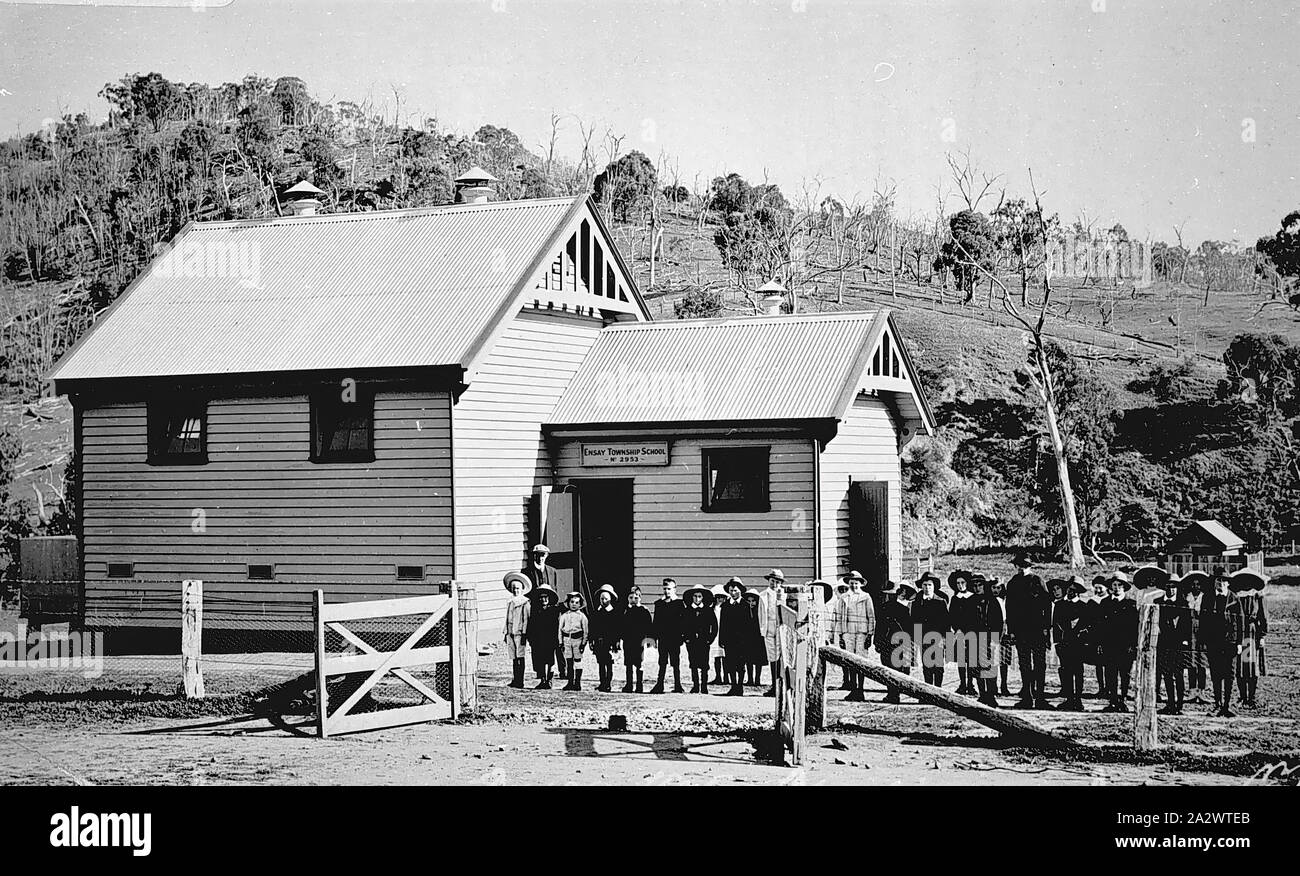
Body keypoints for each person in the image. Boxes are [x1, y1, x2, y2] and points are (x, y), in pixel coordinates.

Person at [1006, 553, 1052, 709]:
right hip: (1021, 631)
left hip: (1038, 630)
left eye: (1025, 565)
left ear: (1030, 566)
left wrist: (1046, 628)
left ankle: (1040, 698)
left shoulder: (1038, 581)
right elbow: (1010, 609)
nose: (1021, 568)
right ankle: (1027, 697)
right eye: (1019, 565)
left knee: (1040, 664)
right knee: (1024, 664)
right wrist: (1011, 631)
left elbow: (1047, 606)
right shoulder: (1012, 583)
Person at [1199, 572, 1243, 717]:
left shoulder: (1234, 599)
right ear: (1214, 582)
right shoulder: (1208, 597)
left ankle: (1227, 705)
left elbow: (1240, 622)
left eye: (1224, 581)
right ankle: (1217, 704)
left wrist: (1239, 643)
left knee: (1229, 674)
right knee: (1216, 674)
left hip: (1230, 642)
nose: (1221, 583)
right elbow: (1203, 621)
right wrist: (1204, 640)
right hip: (1213, 642)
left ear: (1228, 583)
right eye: (1218, 580)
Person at [521, 544, 564, 678]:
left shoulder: (552, 571)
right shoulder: (526, 572)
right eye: (537, 555)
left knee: (555, 642)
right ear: (534, 556)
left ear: (546, 556)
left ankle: (563, 670)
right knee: (537, 642)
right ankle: (540, 671)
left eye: (542, 555)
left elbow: (555, 591)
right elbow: (525, 594)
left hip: (550, 612)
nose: (540, 558)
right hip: (535, 612)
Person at [1099, 573, 1138, 713]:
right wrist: (1100, 643)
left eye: (1119, 585)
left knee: (1125, 674)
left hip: (1125, 646)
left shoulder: (1131, 604)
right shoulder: (1105, 603)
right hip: (1109, 645)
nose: (1116, 588)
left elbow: (1135, 627)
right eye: (1114, 585)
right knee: (1110, 673)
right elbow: (1100, 626)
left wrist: (1132, 645)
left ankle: (1123, 700)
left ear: (1124, 587)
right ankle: (1113, 701)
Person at [1230, 571, 1268, 708]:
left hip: (1251, 634)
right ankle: (1242, 696)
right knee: (1240, 666)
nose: (1246, 584)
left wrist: (1262, 635)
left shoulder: (1257, 596)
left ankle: (1251, 698)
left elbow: (1262, 616)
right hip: (1239, 632)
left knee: (1251, 666)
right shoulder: (1235, 596)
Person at [837, 571, 876, 701]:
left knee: (861, 660)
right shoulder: (844, 598)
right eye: (851, 583)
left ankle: (861, 690)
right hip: (848, 632)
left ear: (860, 584)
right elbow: (840, 618)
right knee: (850, 661)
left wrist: (870, 635)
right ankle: (853, 690)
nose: (854, 585)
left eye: (856, 583)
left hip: (862, 633)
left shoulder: (866, 597)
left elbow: (871, 616)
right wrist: (842, 635)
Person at [876, 581, 917, 704]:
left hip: (900, 642)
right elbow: (880, 625)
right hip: (888, 641)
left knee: (897, 668)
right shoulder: (887, 607)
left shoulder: (908, 608)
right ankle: (893, 693)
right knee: (890, 667)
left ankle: (894, 693)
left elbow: (912, 628)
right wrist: (877, 641)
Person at [1158, 580, 1194, 716]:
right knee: (1166, 675)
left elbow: (1188, 624)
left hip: (1179, 644)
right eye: (1168, 586)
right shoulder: (1158, 602)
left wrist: (1185, 640)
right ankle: (1170, 703)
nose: (1171, 589)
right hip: (1163, 644)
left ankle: (1179, 705)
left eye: (1174, 587)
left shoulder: (1183, 604)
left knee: (1178, 675)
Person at [1052, 578, 1087, 711]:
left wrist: (1079, 635)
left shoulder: (1084, 606)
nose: (1070, 592)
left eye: (1074, 590)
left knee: (1078, 671)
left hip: (1078, 644)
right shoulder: (1061, 605)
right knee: (1066, 671)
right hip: (1064, 643)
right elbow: (1056, 624)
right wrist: (1058, 642)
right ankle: (1069, 699)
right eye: (1069, 589)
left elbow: (1086, 624)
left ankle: (1078, 700)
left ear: (1078, 592)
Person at [970, 575, 1004, 707]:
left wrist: (995, 640)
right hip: (975, 638)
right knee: (977, 668)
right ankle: (982, 694)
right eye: (975, 586)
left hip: (989, 639)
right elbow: (967, 622)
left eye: (980, 585)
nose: (977, 588)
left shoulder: (992, 601)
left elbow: (998, 622)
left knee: (989, 667)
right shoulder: (971, 601)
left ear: (984, 586)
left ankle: (991, 695)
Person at [913, 574, 950, 687]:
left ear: (934, 587)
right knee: (927, 665)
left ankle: (938, 689)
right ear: (921, 587)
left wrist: (945, 639)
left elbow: (946, 623)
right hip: (924, 638)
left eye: (930, 585)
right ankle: (928, 689)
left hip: (938, 638)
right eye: (925, 585)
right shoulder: (917, 603)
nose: (927, 588)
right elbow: (914, 621)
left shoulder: (941, 602)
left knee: (938, 665)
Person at [650, 578, 686, 694]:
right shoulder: (659, 604)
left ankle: (678, 685)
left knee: (675, 662)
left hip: (674, 638)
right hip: (663, 638)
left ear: (674, 589)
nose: (667, 591)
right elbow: (656, 622)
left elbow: (683, 622)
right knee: (662, 661)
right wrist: (654, 637)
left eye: (669, 589)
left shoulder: (679, 604)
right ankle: (659, 684)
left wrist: (682, 637)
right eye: (665, 589)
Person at [1178, 571, 1210, 704]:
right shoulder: (1187, 597)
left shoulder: (1206, 597)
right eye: (1194, 584)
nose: (1196, 587)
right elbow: (1183, 618)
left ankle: (1201, 691)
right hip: (1190, 631)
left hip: (1202, 630)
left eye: (1198, 584)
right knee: (1191, 662)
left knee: (1202, 662)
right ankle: (1191, 690)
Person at [681, 585, 719, 694]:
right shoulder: (687, 610)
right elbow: (682, 625)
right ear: (692, 597)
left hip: (704, 641)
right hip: (692, 641)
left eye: (699, 596)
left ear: (703, 598)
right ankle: (696, 685)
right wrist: (686, 638)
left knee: (704, 664)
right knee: (693, 663)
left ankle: (704, 686)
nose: (697, 599)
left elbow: (714, 626)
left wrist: (710, 639)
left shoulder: (708, 610)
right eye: (695, 596)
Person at [718, 577, 750, 696]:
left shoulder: (746, 605)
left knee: (741, 664)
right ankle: (733, 686)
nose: (733, 593)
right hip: (729, 640)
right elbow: (723, 624)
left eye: (735, 590)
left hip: (742, 641)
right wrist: (722, 639)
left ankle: (740, 686)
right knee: (730, 663)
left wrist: (747, 640)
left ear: (740, 590)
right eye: (731, 590)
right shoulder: (725, 606)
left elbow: (749, 625)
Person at [947, 570, 977, 696]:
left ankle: (970, 684)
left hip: (972, 632)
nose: (960, 585)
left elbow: (975, 616)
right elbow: (952, 616)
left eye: (963, 582)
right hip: (959, 632)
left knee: (971, 660)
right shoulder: (955, 599)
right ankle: (962, 684)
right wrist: (957, 629)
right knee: (961, 659)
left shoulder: (973, 597)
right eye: (958, 583)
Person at [620, 586, 654, 694]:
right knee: (628, 663)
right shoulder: (625, 611)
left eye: (636, 597)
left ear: (640, 598)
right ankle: (629, 684)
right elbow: (621, 626)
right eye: (630, 598)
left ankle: (639, 685)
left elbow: (649, 626)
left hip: (639, 641)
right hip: (628, 641)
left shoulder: (644, 611)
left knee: (639, 663)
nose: (633, 600)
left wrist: (649, 640)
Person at [588, 584, 621, 693]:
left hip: (609, 642)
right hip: (598, 641)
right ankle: (602, 682)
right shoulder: (596, 612)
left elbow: (616, 630)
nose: (603, 600)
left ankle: (608, 683)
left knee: (608, 663)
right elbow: (592, 628)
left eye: (606, 598)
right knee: (601, 663)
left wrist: (616, 642)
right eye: (601, 598)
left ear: (610, 599)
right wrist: (591, 640)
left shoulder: (614, 613)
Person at [758, 569, 786, 697]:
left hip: (780, 627)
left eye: (777, 582)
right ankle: (774, 686)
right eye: (772, 581)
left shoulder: (783, 594)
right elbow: (760, 615)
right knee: (772, 657)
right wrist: (762, 629)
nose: (774, 584)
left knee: (782, 657)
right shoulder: (763, 595)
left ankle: (782, 686)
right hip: (768, 627)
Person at [526, 584, 560, 689]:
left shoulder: (554, 610)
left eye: (546, 597)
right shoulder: (535, 610)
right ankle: (542, 680)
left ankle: (549, 680)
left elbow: (557, 625)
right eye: (541, 597)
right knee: (539, 659)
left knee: (550, 660)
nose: (543, 599)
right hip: (538, 639)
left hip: (550, 638)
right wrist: (530, 638)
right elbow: (531, 624)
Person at [502, 571, 532, 689]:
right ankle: (515, 679)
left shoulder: (524, 602)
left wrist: (524, 633)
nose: (516, 590)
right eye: (514, 588)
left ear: (522, 589)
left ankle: (520, 680)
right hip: (511, 632)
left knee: (520, 656)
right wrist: (506, 632)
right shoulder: (510, 602)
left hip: (519, 632)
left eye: (518, 588)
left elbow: (526, 619)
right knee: (513, 656)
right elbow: (507, 618)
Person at [559, 591, 590, 692]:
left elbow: (585, 631)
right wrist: (561, 642)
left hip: (578, 640)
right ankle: (570, 682)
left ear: (580, 604)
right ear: (568, 603)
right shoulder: (564, 616)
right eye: (572, 602)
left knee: (577, 661)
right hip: (567, 640)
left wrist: (583, 643)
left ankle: (577, 683)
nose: (574, 604)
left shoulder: (582, 617)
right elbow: (559, 629)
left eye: (577, 602)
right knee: (569, 661)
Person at [989, 578, 1012, 696]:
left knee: (1004, 661)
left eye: (998, 588)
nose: (996, 590)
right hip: (994, 632)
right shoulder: (989, 601)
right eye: (994, 587)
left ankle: (1004, 686)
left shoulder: (1006, 600)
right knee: (994, 660)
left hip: (1006, 632)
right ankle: (993, 687)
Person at [831, 580, 852, 690]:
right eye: (841, 589)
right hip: (839, 630)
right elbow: (833, 619)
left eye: (845, 589)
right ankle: (846, 680)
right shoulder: (836, 603)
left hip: (849, 631)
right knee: (842, 656)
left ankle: (852, 681)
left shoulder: (850, 601)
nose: (843, 591)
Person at [742, 590, 766, 686]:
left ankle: (757, 679)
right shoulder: (745, 610)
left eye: (753, 601)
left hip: (758, 637)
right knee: (748, 659)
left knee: (758, 660)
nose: (751, 603)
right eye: (749, 601)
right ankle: (750, 679)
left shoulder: (759, 611)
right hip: (748, 638)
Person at [709, 583, 727, 686]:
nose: (720, 599)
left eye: (723, 597)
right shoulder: (712, 609)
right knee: (716, 657)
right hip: (715, 634)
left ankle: (726, 677)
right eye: (719, 597)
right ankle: (718, 676)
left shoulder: (727, 608)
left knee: (725, 657)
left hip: (724, 633)